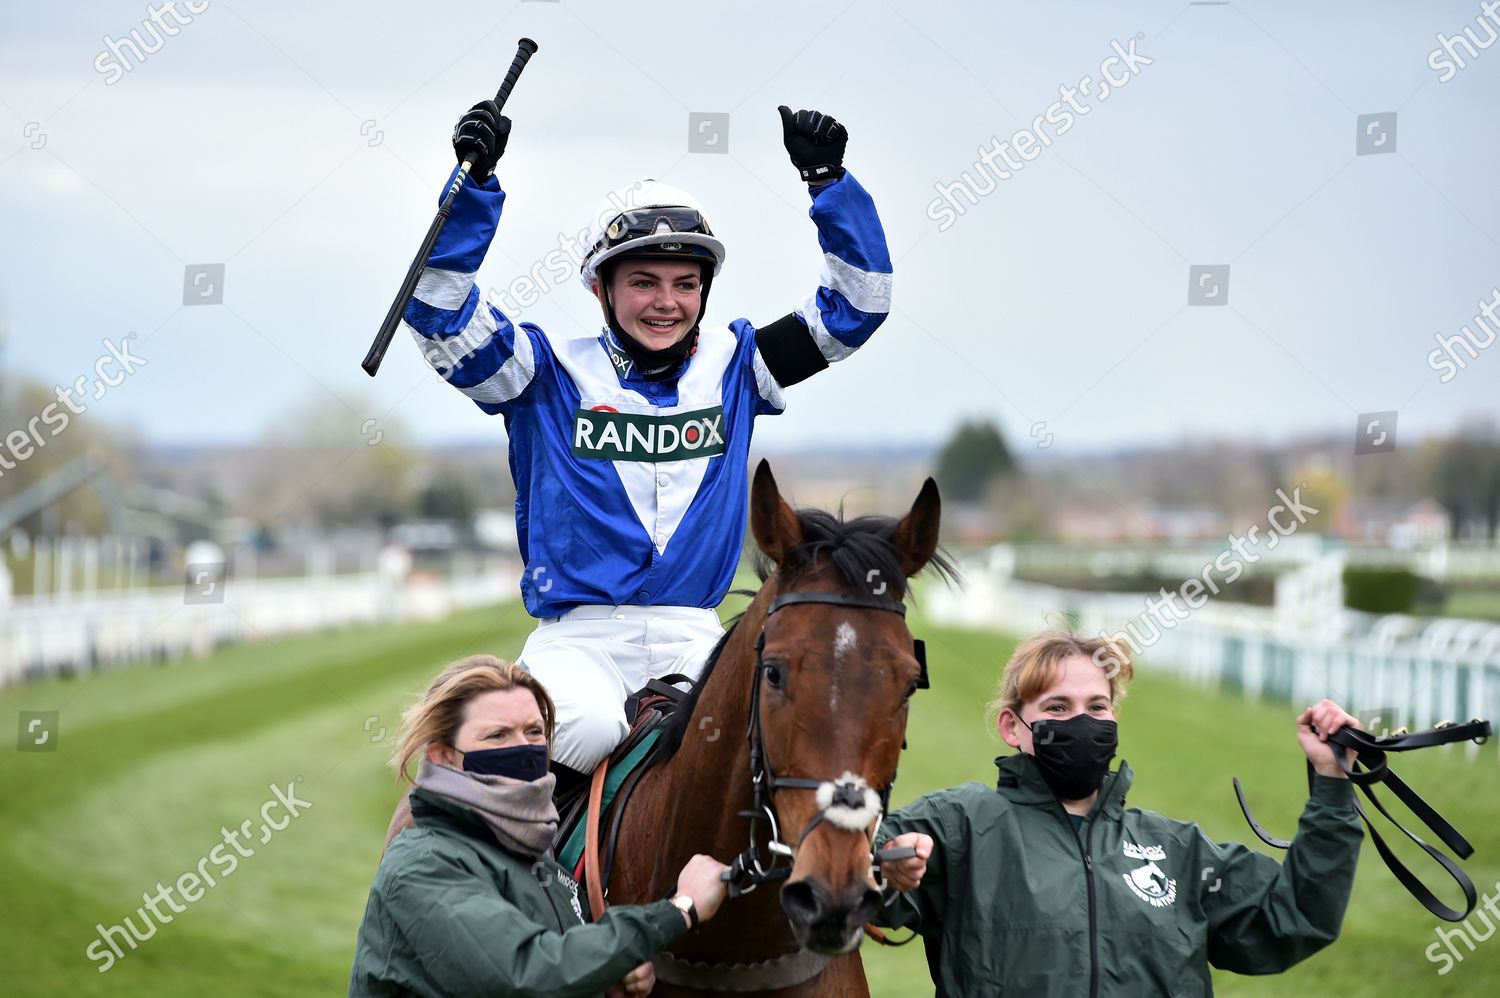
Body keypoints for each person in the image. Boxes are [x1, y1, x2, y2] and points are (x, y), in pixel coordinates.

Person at [401, 99, 891, 790]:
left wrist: (828, 180)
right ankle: (516, 888)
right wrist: (472, 189)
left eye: (686, 284)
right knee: (590, 728)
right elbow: (437, 311)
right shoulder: (540, 371)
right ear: (600, 287)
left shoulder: (740, 364)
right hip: (578, 641)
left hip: (698, 633)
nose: (667, 302)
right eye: (643, 282)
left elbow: (861, 305)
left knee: (777, 746)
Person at [873, 628, 1365, 997]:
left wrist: (1332, 784)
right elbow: (842, 868)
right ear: (1012, 726)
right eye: (1058, 708)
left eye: (1097, 707)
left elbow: (1295, 919)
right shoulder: (957, 825)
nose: (1082, 722)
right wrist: (890, 867)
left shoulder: (1177, 849)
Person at [349, 655, 729, 997]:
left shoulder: (535, 855)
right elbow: (529, 974)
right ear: (444, 755)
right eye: (498, 735)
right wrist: (681, 908)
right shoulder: (423, 864)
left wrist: (605, 974)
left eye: (533, 733)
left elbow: (562, 969)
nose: (525, 748)